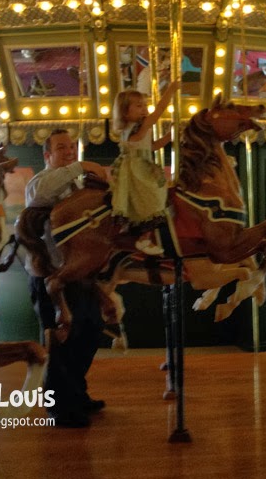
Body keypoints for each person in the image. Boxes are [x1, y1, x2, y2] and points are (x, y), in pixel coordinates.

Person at [25, 128, 108, 428]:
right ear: (47, 155)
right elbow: (42, 194)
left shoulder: (76, 189)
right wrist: (80, 166)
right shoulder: (40, 183)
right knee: (62, 337)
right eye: (62, 148)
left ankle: (76, 393)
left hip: (79, 274)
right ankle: (59, 406)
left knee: (90, 332)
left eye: (73, 147)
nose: (69, 151)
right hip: (49, 274)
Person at [110, 80, 178, 255]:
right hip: (137, 170)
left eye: (144, 105)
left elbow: (152, 147)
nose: (143, 109)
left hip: (139, 167)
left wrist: (169, 137)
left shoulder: (135, 129)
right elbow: (159, 112)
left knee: (154, 198)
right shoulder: (135, 127)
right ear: (125, 111)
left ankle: (143, 236)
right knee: (153, 199)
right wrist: (170, 90)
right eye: (138, 106)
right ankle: (144, 239)